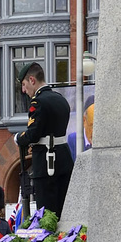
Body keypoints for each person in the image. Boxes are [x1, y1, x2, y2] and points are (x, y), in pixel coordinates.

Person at [13, 62, 74, 218]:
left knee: (46, 215)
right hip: (64, 158)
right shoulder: (60, 99)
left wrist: (18, 138)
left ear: (32, 80)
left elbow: (32, 134)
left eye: (24, 84)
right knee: (64, 212)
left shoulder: (38, 102)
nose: (23, 90)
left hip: (47, 163)